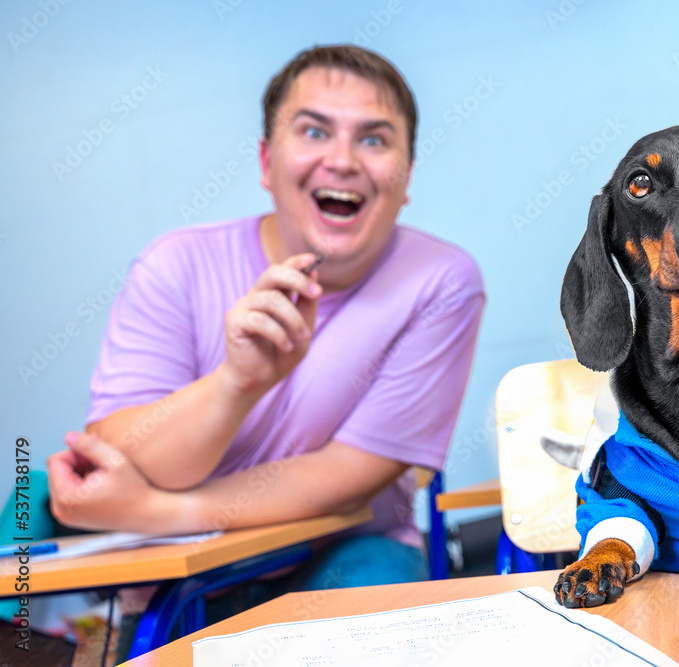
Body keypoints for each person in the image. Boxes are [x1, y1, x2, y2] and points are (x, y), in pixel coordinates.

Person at [46, 45, 485, 606]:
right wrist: (237, 382)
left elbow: (351, 475)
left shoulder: (442, 281)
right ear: (265, 162)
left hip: (344, 554)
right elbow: (121, 452)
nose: (344, 160)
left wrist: (157, 512)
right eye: (313, 131)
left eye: (373, 139)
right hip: (177, 574)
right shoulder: (173, 265)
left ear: (405, 179)